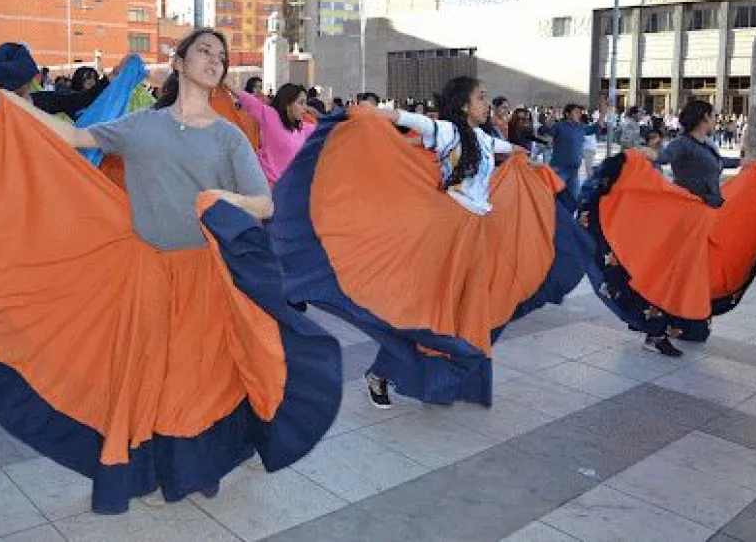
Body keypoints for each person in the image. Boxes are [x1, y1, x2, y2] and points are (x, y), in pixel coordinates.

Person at [0, 29, 341, 514]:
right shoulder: (142, 126)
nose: (214, 61)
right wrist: (9, 107)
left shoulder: (228, 136)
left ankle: (194, 466)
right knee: (149, 375)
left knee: (197, 377)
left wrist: (227, 199)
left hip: (204, 272)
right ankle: (157, 466)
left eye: (221, 57)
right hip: (145, 271)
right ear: (178, 63)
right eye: (204, 50)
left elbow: (263, 204)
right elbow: (75, 136)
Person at [271, 76, 593, 409]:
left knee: (465, 314)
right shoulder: (446, 131)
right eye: (481, 98)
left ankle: (435, 380)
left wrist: (529, 164)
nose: (487, 103)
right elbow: (402, 119)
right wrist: (364, 113)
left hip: (477, 237)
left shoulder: (484, 139)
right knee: (428, 315)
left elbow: (515, 151)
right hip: (444, 236)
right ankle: (382, 374)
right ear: (465, 105)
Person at [579, 99, 756, 356]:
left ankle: (687, 325)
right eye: (713, 115)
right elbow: (663, 156)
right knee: (673, 276)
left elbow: (719, 165)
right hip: (686, 218)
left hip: (706, 217)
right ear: (703, 117)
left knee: (693, 274)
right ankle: (654, 333)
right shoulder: (682, 143)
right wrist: (645, 153)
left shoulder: (707, 145)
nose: (716, 119)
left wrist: (749, 168)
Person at [235, 82, 316, 186]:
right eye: (301, 103)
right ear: (288, 104)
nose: (305, 108)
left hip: (288, 190)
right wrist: (223, 78)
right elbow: (246, 98)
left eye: (306, 103)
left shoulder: (303, 128)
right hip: (266, 187)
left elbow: (329, 130)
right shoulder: (271, 117)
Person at [542, 102, 607, 200]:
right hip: (560, 169)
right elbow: (546, 129)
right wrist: (553, 114)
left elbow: (596, 127)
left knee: (573, 199)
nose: (579, 114)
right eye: (576, 112)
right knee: (553, 196)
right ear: (567, 114)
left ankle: (569, 215)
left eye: (580, 112)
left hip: (574, 172)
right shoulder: (560, 126)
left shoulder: (581, 127)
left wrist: (603, 113)